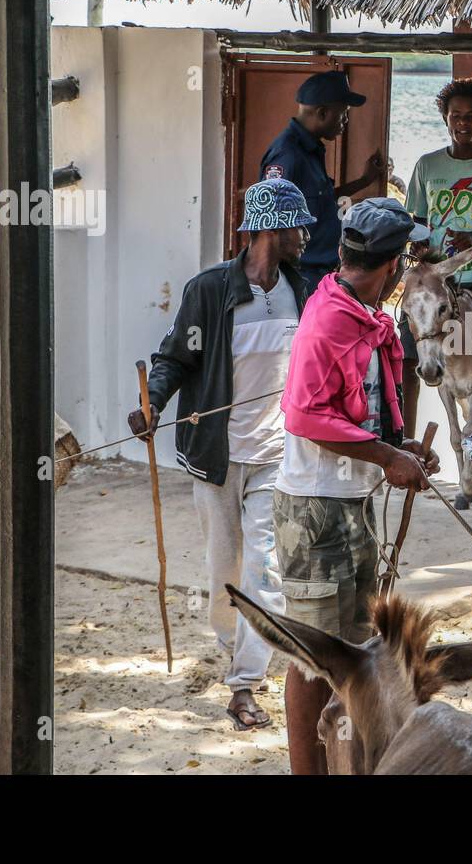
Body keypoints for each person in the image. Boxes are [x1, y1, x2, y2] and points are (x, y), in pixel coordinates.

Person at [129, 178, 312, 731]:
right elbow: (173, 359)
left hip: (277, 454)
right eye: (296, 225)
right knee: (223, 572)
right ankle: (238, 648)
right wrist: (152, 404)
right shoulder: (209, 291)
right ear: (268, 230)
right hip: (215, 455)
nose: (306, 235)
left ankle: (244, 685)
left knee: (266, 568)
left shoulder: (302, 288)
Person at [275, 196, 439, 774]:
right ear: (393, 268)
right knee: (312, 655)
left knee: (353, 646)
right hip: (316, 509)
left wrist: (403, 449)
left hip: (354, 502)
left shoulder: (367, 315)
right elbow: (307, 416)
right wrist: (386, 456)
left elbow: (366, 413)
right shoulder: (327, 322)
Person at [400, 77, 472, 436]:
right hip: (439, 275)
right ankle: (407, 434)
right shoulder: (427, 166)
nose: (463, 123)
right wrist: (418, 246)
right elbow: (417, 221)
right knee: (407, 339)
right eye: (456, 116)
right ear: (445, 118)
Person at [259, 69, 384, 293]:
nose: (346, 120)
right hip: (299, 278)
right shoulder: (288, 155)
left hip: (319, 274)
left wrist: (365, 180)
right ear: (323, 113)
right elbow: (270, 221)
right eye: (343, 113)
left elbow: (322, 200)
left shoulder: (311, 149)